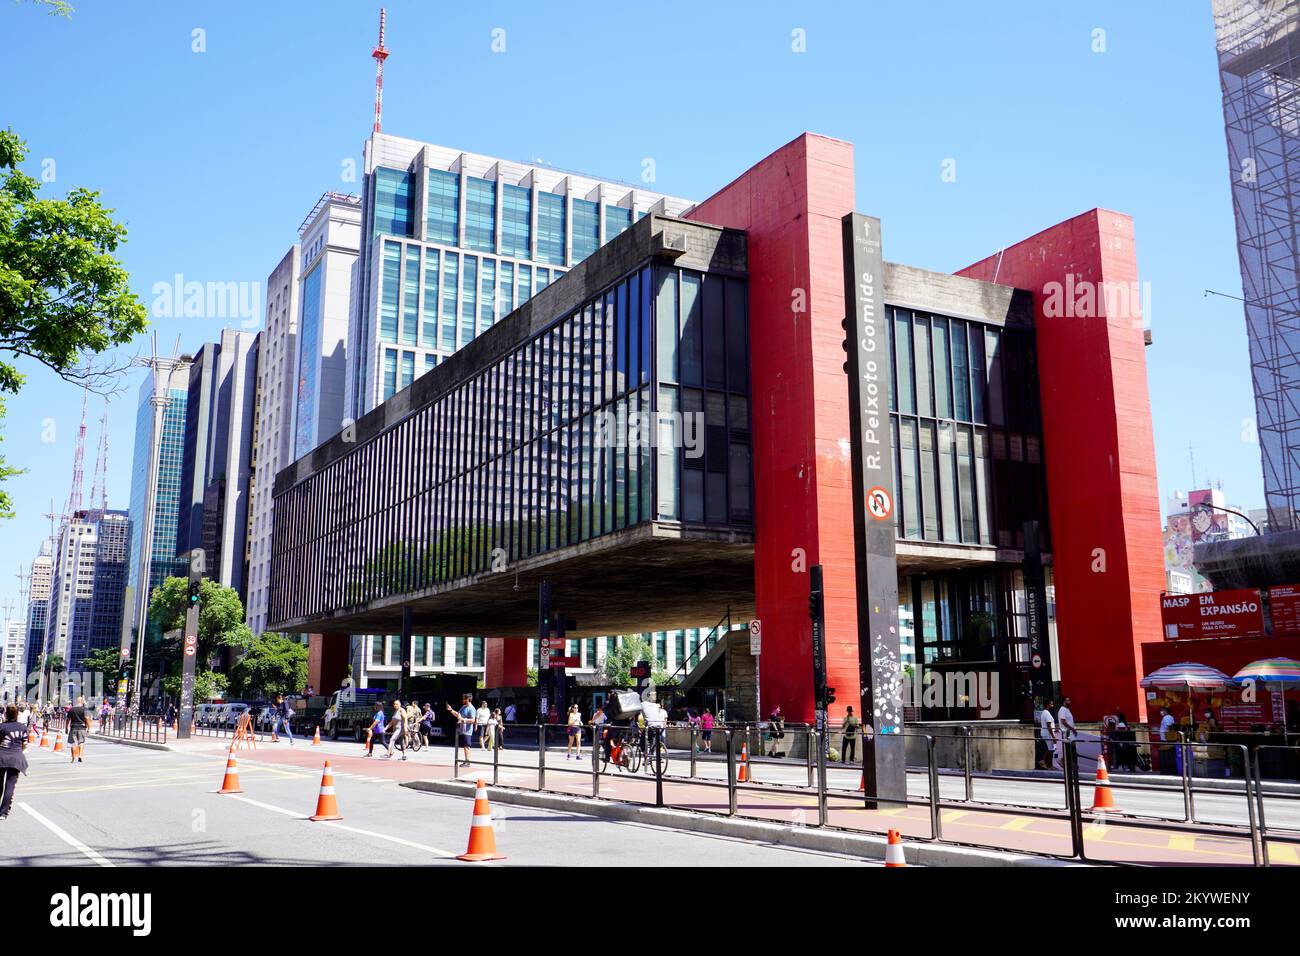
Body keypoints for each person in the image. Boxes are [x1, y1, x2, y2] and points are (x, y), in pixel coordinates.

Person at [0, 705, 28, 820]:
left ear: (6, 714)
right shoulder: (22, 727)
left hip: (1, 757)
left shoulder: (1, 727)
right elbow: (24, 744)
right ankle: (3, 812)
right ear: (17, 715)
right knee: (10, 786)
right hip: (16, 758)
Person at [447, 694, 476, 768]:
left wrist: (463, 719)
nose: (462, 700)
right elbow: (458, 715)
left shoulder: (471, 708)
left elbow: (473, 720)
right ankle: (466, 761)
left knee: (466, 746)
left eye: (464, 699)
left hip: (467, 730)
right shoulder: (463, 707)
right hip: (462, 729)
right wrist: (451, 710)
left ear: (468, 699)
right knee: (465, 746)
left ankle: (467, 761)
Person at [67, 695, 88, 764]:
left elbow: (68, 719)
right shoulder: (84, 709)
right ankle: (80, 755)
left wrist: (66, 727)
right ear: (82, 702)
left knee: (73, 743)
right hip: (82, 727)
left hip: (73, 727)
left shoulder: (72, 709)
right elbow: (87, 719)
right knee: (81, 742)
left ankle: (73, 758)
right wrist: (88, 727)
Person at [1036, 700, 1057, 770]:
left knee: (1051, 749)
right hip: (1048, 734)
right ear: (1047, 705)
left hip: (1047, 733)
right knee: (1051, 749)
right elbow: (1049, 725)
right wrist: (1053, 737)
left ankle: (1049, 764)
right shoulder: (1047, 713)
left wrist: (1055, 729)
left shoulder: (1044, 712)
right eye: (1051, 704)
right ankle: (1044, 762)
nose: (1052, 706)